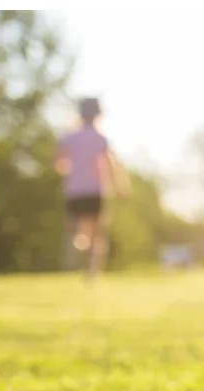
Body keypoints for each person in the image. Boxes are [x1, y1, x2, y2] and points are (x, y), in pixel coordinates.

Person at [55, 97, 131, 281]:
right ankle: (91, 272)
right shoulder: (100, 138)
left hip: (75, 190)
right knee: (98, 233)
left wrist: (68, 168)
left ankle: (78, 243)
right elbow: (111, 164)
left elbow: (58, 163)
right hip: (96, 190)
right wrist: (121, 186)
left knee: (76, 228)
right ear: (97, 115)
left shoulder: (69, 137)